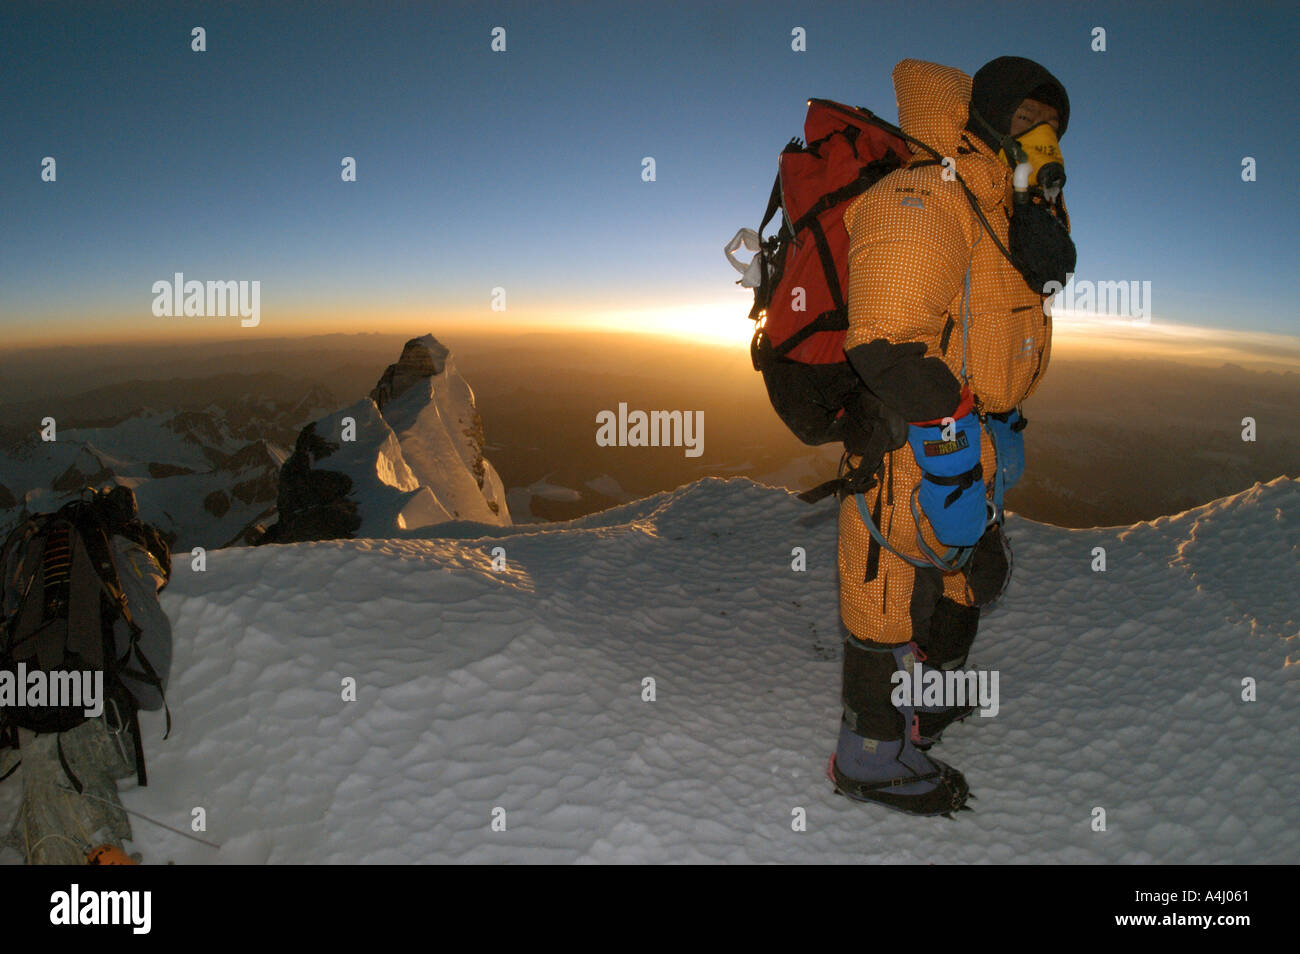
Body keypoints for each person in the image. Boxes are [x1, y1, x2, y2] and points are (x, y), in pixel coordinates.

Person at [828, 57, 1076, 815]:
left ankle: (928, 703)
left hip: (981, 442)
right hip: (913, 447)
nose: (1044, 139)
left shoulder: (1009, 216)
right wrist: (951, 461)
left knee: (975, 572)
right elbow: (888, 339)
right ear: (990, 117)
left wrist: (995, 439)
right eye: (1028, 119)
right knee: (883, 591)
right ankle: (868, 756)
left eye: (1053, 127)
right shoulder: (927, 190)